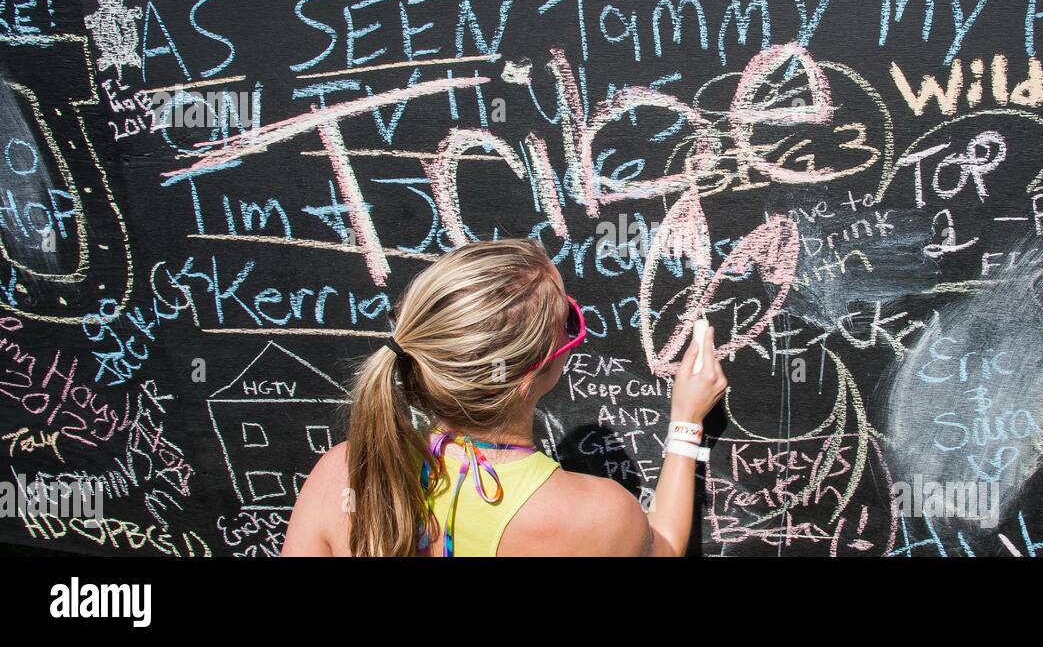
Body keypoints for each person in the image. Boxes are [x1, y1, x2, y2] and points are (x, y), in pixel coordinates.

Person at [281, 237, 727, 556]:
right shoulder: (596, 515)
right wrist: (686, 421)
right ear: (529, 376)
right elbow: (662, 547)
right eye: (569, 321)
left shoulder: (344, 472)